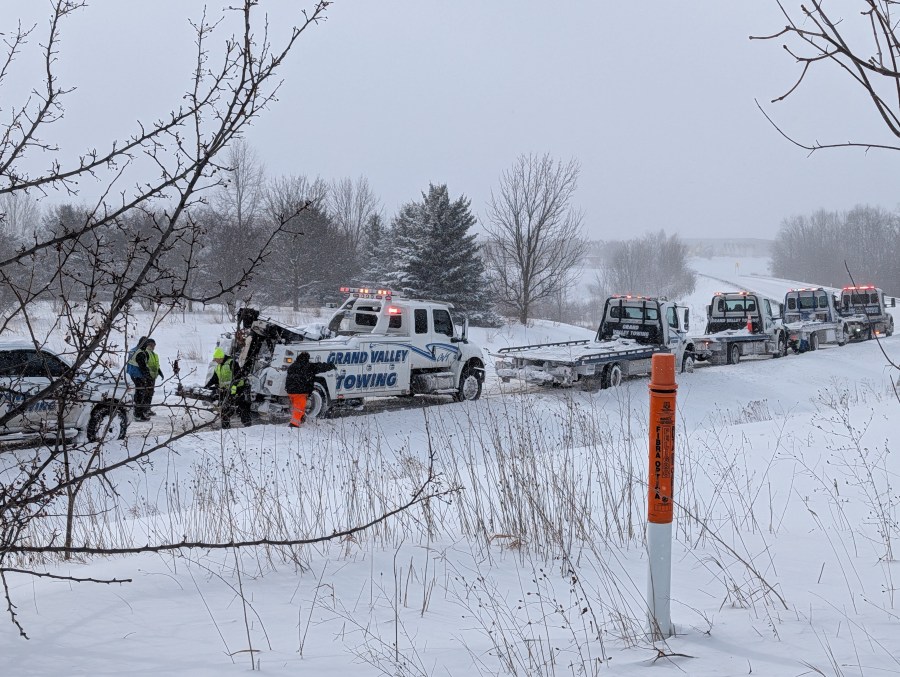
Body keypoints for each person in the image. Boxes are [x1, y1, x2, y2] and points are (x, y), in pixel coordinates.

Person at [285, 352, 336, 427]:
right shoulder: (309, 366)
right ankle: (294, 425)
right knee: (299, 409)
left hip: (291, 391)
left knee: (296, 407)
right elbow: (321, 367)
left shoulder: (293, 366)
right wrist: (331, 366)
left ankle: (301, 419)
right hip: (300, 392)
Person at [205, 347, 252, 428]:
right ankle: (225, 428)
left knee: (241, 409)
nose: (215, 360)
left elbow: (238, 376)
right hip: (226, 391)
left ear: (221, 357)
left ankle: (248, 426)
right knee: (224, 410)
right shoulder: (218, 367)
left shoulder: (232, 363)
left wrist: (234, 387)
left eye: (216, 359)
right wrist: (206, 387)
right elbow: (214, 379)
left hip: (238, 390)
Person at [127, 336, 164, 421]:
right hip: (138, 376)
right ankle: (138, 415)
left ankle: (137, 412)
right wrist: (147, 376)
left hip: (130, 375)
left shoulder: (133, 350)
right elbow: (143, 366)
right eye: (147, 344)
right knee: (140, 395)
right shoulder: (140, 352)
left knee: (136, 395)